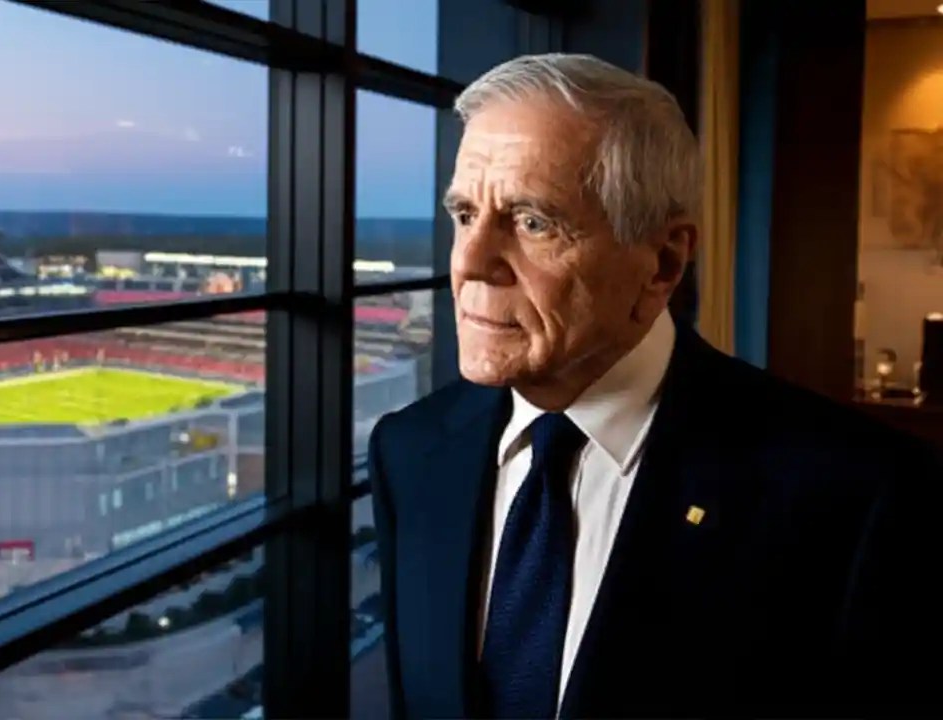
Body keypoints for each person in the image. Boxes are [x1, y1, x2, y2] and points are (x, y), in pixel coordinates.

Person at [368, 53, 941, 719]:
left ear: (663, 262)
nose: (468, 264)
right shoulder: (408, 454)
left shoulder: (860, 495)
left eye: (532, 222)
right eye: (465, 215)